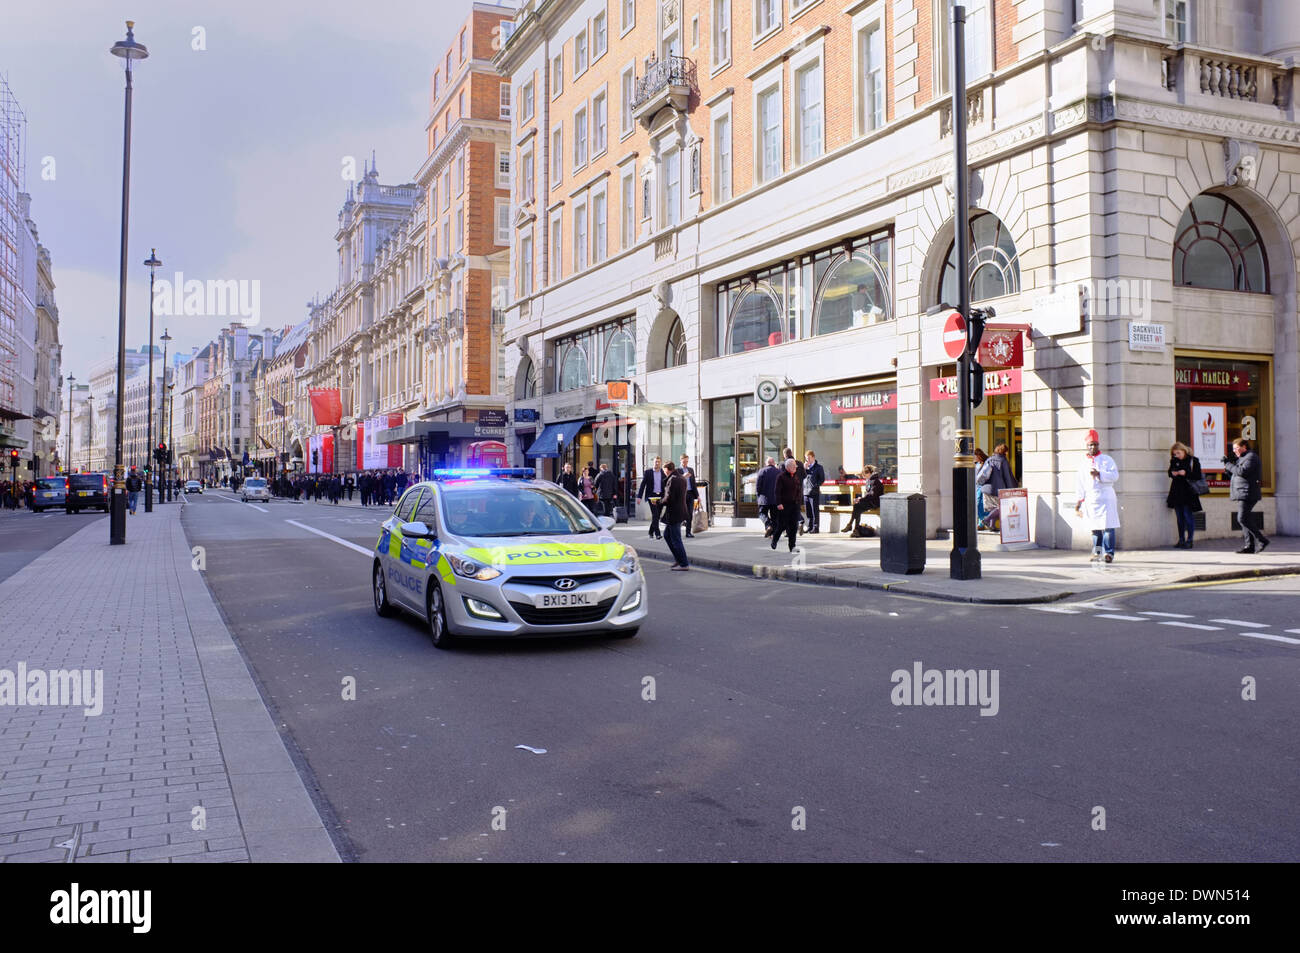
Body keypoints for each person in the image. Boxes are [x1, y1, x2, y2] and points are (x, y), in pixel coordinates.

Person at [1075, 429, 1120, 562]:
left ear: (1098, 445)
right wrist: (1079, 502)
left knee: (1108, 527)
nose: (1093, 447)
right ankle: (1097, 553)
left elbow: (1115, 476)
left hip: (1107, 497)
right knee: (1095, 528)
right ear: (1086, 446)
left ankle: (1109, 553)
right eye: (1090, 444)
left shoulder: (1107, 460)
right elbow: (1080, 484)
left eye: (1095, 444)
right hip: (1091, 499)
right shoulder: (1083, 464)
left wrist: (1099, 474)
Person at [1222, 437, 1269, 554]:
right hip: (1242, 492)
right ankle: (1249, 546)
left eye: (1236, 448)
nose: (1234, 451)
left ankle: (1262, 540)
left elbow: (1242, 472)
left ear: (1244, 447)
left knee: (1242, 518)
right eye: (1233, 449)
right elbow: (1237, 474)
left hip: (1248, 492)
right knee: (1245, 519)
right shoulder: (1242, 458)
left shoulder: (1251, 457)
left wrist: (1228, 465)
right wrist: (1228, 470)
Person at [1166, 442, 1203, 549]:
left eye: (1178, 453)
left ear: (1184, 451)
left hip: (1188, 492)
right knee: (1179, 518)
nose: (1177, 455)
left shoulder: (1193, 460)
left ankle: (1190, 540)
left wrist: (1185, 473)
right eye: (1174, 454)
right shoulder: (1174, 460)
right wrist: (1172, 473)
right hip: (1177, 492)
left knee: (1188, 516)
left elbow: (1197, 476)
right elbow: (1169, 472)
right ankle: (1181, 539)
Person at [977, 443, 1017, 530]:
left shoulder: (989, 459)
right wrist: (1012, 488)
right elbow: (1007, 477)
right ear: (1004, 452)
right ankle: (987, 520)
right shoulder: (1003, 461)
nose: (1007, 453)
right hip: (997, 490)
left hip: (986, 489)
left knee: (993, 508)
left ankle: (992, 525)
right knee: (1002, 507)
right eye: (1006, 451)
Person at [661, 460, 690, 571]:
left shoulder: (672, 480)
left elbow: (669, 498)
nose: (664, 473)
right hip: (680, 511)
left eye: (664, 470)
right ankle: (679, 559)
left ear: (667, 470)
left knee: (676, 539)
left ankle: (684, 563)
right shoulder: (681, 478)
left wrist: (659, 502)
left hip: (674, 513)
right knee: (667, 535)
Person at [772, 458, 803, 553]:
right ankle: (775, 540)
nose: (796, 468)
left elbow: (799, 490)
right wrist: (779, 503)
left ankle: (792, 546)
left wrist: (799, 502)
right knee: (781, 526)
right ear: (788, 467)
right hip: (784, 506)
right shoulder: (781, 477)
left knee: (793, 527)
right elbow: (777, 492)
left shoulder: (795, 476)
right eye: (794, 466)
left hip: (794, 506)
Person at [841, 465, 884, 535]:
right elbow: (869, 495)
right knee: (857, 508)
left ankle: (851, 526)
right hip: (870, 501)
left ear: (869, 473)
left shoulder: (875, 481)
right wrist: (860, 499)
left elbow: (872, 496)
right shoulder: (870, 480)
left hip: (875, 503)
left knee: (857, 507)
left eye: (864, 475)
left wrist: (861, 499)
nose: (864, 477)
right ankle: (855, 530)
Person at [637, 456, 666, 539]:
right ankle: (657, 533)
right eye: (656, 461)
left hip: (661, 496)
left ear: (660, 463)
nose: (657, 463)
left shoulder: (663, 472)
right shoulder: (648, 472)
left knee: (657, 515)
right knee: (655, 514)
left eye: (658, 462)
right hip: (651, 496)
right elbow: (643, 485)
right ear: (653, 462)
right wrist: (639, 497)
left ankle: (650, 531)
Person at [781, 448, 806, 532]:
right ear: (791, 453)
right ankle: (799, 522)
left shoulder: (783, 464)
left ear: (784, 455)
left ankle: (792, 528)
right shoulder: (799, 463)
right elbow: (804, 476)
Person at [755, 456, 781, 538]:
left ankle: (768, 525)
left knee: (762, 513)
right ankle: (773, 534)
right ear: (773, 463)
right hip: (775, 499)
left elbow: (758, 485)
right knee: (775, 517)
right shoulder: (779, 472)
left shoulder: (762, 471)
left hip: (764, 498)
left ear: (767, 463)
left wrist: (758, 494)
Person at [802, 450, 825, 534]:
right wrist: (804, 469)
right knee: (808, 511)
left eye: (809, 458)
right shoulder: (805, 467)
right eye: (806, 458)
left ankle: (816, 527)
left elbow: (822, 479)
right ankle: (809, 526)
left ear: (813, 457)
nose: (807, 460)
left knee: (814, 511)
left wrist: (815, 486)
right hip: (805, 492)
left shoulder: (819, 467)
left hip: (814, 492)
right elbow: (802, 477)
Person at [678, 454, 699, 538]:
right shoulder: (677, 470)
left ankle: (688, 532)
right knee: (681, 513)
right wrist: (683, 476)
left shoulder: (691, 470)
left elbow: (693, 483)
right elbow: (676, 482)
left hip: (690, 494)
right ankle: (677, 531)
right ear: (680, 461)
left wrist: (697, 495)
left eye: (687, 461)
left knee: (690, 513)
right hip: (682, 494)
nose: (685, 463)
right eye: (684, 461)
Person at [972, 448, 990, 525]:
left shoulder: (987, 463)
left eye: (975, 456)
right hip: (977, 486)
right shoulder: (977, 464)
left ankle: (983, 522)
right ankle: (982, 521)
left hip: (984, 486)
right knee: (978, 504)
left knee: (981, 504)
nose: (974, 458)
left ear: (979, 455)